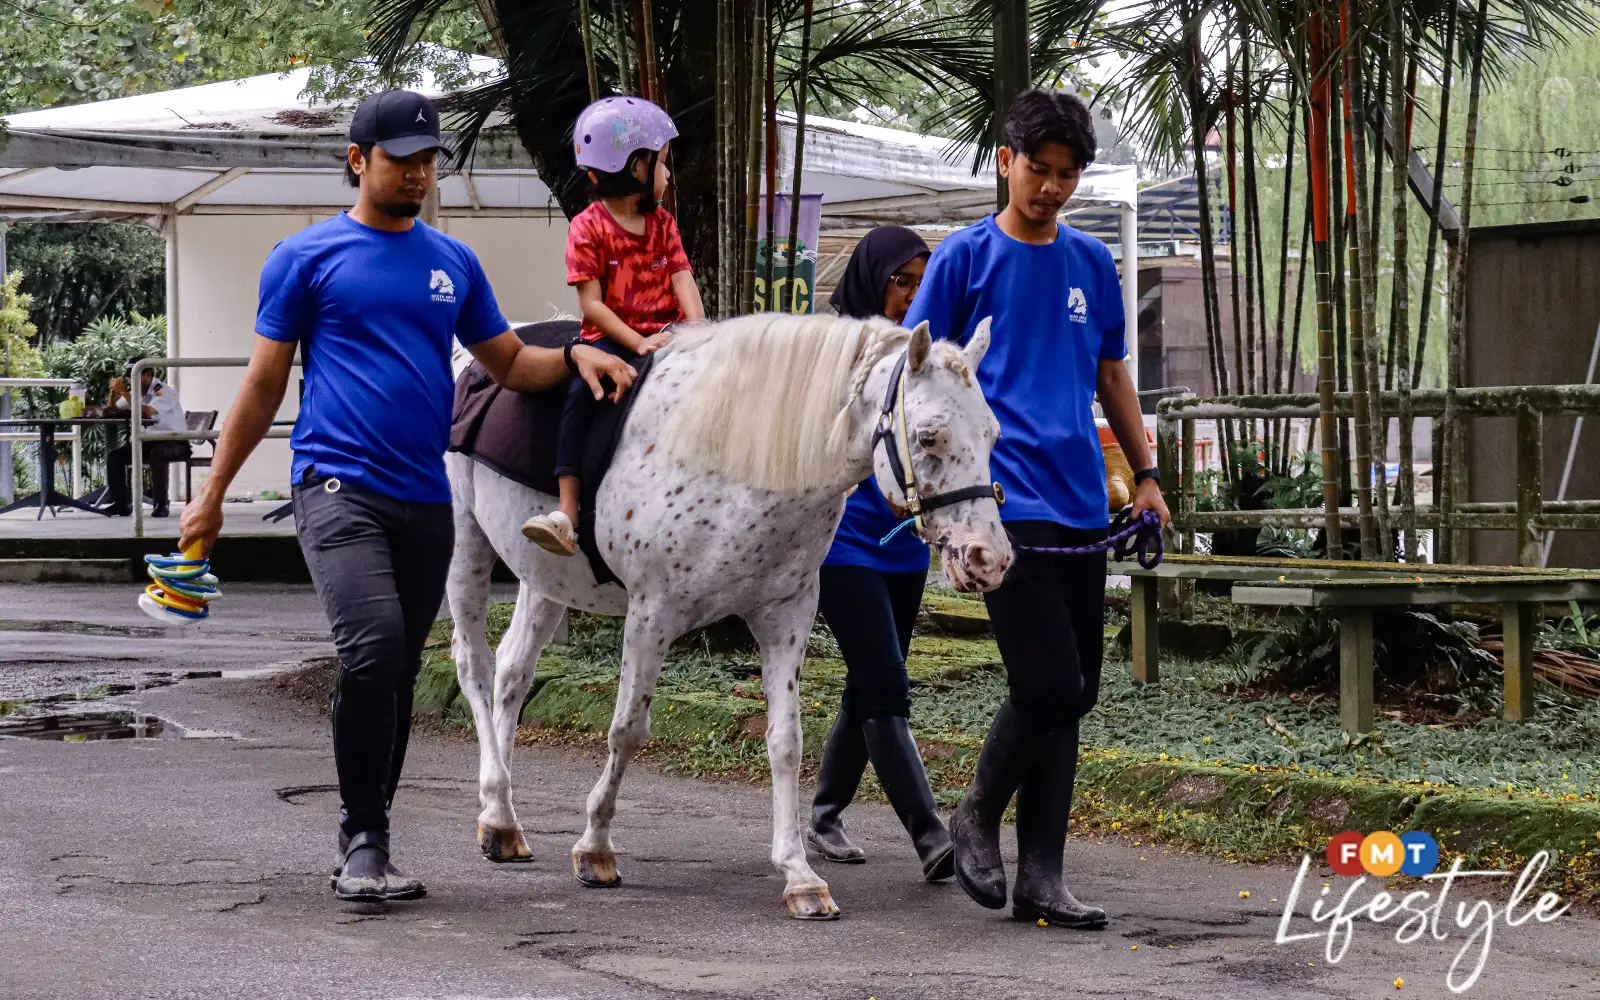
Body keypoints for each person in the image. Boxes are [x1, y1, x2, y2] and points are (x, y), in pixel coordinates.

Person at [177, 89, 637, 904]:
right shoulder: (304, 258)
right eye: (402, 159)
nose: (420, 172)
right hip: (335, 485)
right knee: (375, 648)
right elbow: (261, 382)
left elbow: (509, 364)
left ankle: (372, 838)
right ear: (357, 161)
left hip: (424, 496)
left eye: (429, 159)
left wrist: (575, 357)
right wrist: (212, 496)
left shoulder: (451, 263)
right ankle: (362, 837)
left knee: (388, 671)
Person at [904, 90, 1170, 928]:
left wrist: (1150, 473)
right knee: (1050, 679)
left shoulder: (1092, 264)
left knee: (1077, 690)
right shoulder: (962, 259)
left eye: (1067, 175)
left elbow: (1113, 376)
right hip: (999, 502)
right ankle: (977, 812)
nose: (1051, 187)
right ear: (1006, 161)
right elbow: (912, 371)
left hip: (1082, 499)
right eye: (1038, 170)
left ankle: (1043, 878)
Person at [805, 226, 954, 882]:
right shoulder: (836, 353)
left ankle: (825, 813)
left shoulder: (919, 357)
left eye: (922, 284)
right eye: (902, 282)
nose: (912, 295)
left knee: (866, 681)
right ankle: (932, 836)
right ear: (872, 278)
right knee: (887, 688)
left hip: (905, 547)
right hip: (844, 544)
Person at [521, 96, 705, 556]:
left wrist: (700, 333)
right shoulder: (587, 228)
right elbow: (593, 306)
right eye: (662, 164)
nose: (667, 174)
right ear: (633, 166)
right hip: (611, 340)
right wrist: (640, 343)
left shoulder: (663, 223)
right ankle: (566, 510)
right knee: (580, 398)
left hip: (669, 336)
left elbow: (682, 277)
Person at [104, 360, 191, 518]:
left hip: (175, 441)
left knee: (158, 454)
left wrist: (124, 392)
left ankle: (161, 503)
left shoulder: (163, 391)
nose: (133, 381)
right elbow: (113, 409)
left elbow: (147, 411)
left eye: (137, 376)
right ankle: (122, 503)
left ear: (148, 375)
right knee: (114, 457)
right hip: (151, 441)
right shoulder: (137, 392)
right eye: (131, 377)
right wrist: (113, 391)